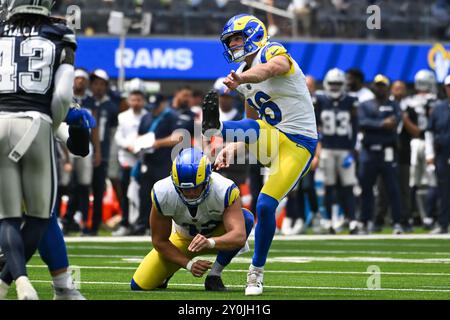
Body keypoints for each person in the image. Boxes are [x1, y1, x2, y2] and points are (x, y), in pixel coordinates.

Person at [202, 14, 318, 295]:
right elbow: (253, 121)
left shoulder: (272, 51)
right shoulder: (241, 78)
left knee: (265, 206)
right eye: (230, 41)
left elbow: (271, 69)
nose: (233, 44)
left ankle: (256, 272)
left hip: (299, 142)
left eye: (237, 38)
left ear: (254, 34)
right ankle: (216, 129)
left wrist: (242, 77)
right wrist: (233, 146)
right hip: (271, 136)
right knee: (249, 128)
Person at [0, 0, 76, 300]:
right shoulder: (60, 32)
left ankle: (15, 280)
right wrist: (54, 122)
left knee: (7, 217)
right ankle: (16, 282)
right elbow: (61, 96)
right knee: (40, 216)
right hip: (36, 120)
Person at [131, 148, 254, 291]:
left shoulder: (224, 189)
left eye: (196, 188)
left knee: (246, 219)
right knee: (140, 285)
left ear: (207, 179)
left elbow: (239, 236)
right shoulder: (163, 192)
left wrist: (210, 242)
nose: (191, 193)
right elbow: (159, 241)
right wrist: (189, 264)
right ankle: (168, 271)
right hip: (184, 240)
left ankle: (214, 275)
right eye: (185, 189)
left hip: (217, 238)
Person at [131, 95, 185, 235]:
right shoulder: (146, 117)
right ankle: (143, 224)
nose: (154, 110)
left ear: (163, 104)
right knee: (144, 193)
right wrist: (139, 144)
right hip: (148, 161)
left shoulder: (171, 116)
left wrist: (157, 143)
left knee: (165, 194)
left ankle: (165, 225)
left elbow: (179, 137)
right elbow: (140, 134)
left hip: (164, 161)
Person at [357, 74, 403, 234]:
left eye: (383, 85)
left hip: (387, 150)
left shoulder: (393, 105)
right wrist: (382, 123)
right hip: (369, 151)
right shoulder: (365, 105)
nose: (380, 88)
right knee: (366, 189)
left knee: (392, 189)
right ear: (373, 87)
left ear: (387, 87)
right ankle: (365, 221)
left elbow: (396, 122)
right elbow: (362, 122)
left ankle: (397, 222)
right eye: (378, 85)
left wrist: (375, 124)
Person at [316, 68, 359, 234]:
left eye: (338, 84)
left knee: (348, 187)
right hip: (327, 148)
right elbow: (315, 125)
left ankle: (352, 220)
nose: (334, 87)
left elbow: (355, 127)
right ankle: (329, 220)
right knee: (330, 186)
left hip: (344, 149)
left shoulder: (350, 100)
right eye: (332, 84)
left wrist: (353, 148)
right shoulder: (320, 100)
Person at [83, 69, 119, 236]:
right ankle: (81, 223)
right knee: (81, 189)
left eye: (101, 84)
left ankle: (94, 226)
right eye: (95, 83)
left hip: (102, 154)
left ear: (106, 86)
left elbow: (112, 134)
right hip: (82, 151)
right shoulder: (85, 103)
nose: (97, 87)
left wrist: (109, 156)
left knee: (98, 191)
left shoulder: (111, 106)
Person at [403, 70, 439, 229]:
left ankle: (417, 215)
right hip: (424, 141)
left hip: (416, 141)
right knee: (426, 180)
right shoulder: (436, 101)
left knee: (416, 181)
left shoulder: (409, 101)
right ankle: (426, 216)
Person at [112, 90, 148, 236]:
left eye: (139, 99)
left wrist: (140, 145)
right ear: (128, 101)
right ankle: (125, 223)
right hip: (126, 159)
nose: (136, 103)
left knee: (144, 194)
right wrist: (129, 146)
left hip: (143, 159)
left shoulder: (147, 116)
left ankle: (143, 224)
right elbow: (118, 136)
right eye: (133, 99)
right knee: (126, 193)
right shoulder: (122, 116)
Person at [425, 75, 450, 234]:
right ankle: (442, 223)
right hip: (443, 153)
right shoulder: (439, 108)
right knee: (444, 190)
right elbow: (429, 132)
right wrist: (429, 154)